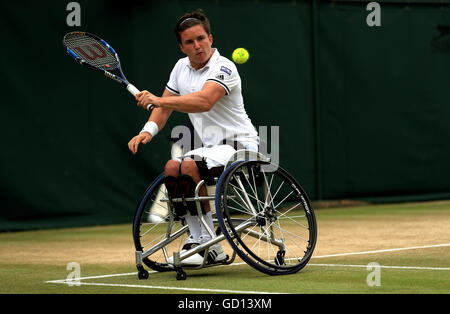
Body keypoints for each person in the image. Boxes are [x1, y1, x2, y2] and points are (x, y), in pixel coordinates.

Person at [128, 9, 259, 265]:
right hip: (209, 148)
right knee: (171, 167)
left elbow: (205, 101)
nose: (197, 46)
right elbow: (163, 110)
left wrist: (157, 99)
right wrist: (147, 130)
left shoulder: (225, 67)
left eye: (201, 38)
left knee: (187, 165)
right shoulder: (180, 68)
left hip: (241, 145)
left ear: (210, 38)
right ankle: (199, 240)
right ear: (181, 47)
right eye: (190, 42)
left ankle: (206, 244)